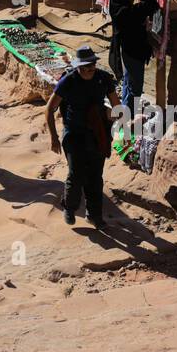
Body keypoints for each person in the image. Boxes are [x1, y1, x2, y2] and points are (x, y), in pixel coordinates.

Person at [45, 45, 121, 229]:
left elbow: (116, 106)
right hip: (74, 133)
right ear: (78, 66)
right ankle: (69, 208)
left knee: (95, 176)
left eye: (92, 66)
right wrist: (54, 137)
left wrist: (112, 115)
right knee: (76, 173)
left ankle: (94, 215)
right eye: (85, 67)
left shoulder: (104, 79)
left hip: (97, 133)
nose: (89, 70)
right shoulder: (68, 81)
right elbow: (49, 108)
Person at [108, 0, 159, 126]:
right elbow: (143, 8)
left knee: (129, 83)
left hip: (131, 52)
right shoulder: (122, 13)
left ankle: (126, 112)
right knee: (135, 86)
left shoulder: (121, 9)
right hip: (133, 53)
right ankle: (128, 119)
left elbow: (141, 9)